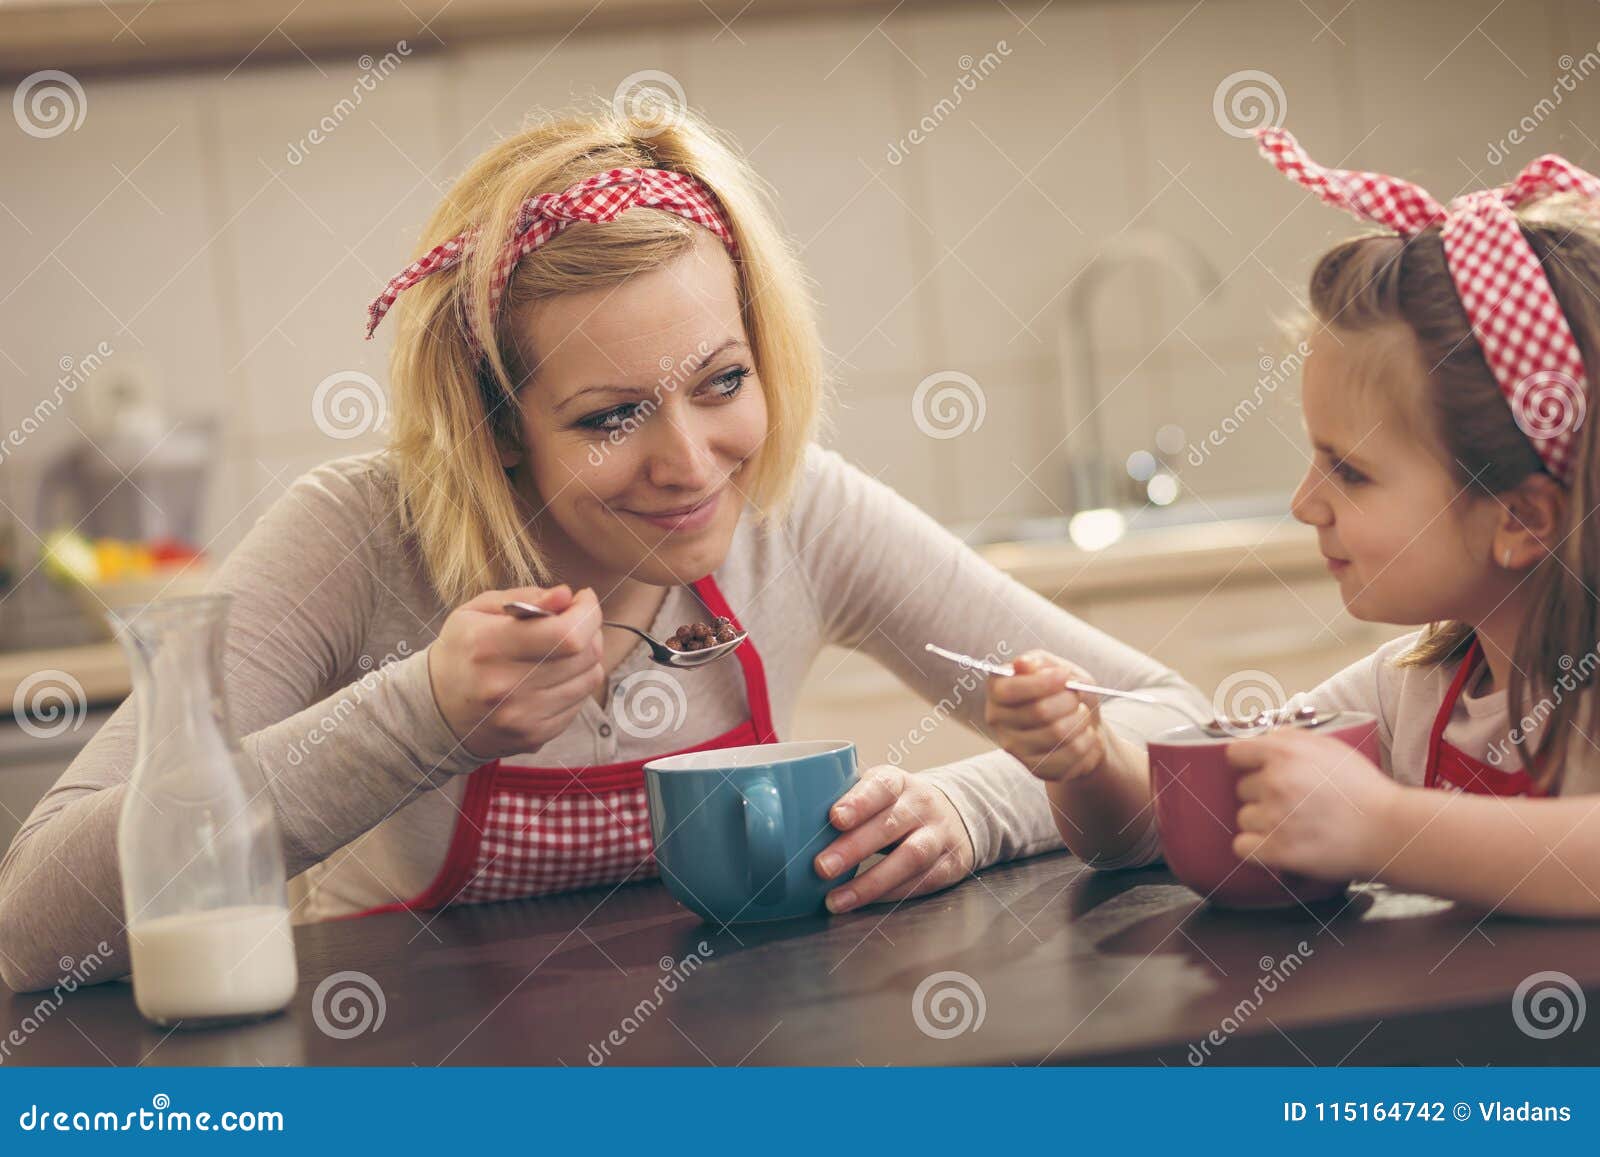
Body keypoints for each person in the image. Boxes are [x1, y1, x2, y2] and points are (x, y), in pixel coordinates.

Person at [0, 107, 1203, 992]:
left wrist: (973, 803)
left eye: (723, 381)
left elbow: (1174, 719)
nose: (689, 462)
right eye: (608, 416)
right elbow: (31, 920)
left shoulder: (798, 514)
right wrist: (420, 711)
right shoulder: (360, 537)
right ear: (497, 424)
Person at [988, 128, 1600, 918]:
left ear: (1518, 518)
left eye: (1350, 470)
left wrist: (1382, 827)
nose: (1305, 503)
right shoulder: (1408, 693)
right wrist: (1086, 758)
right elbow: (1188, 815)